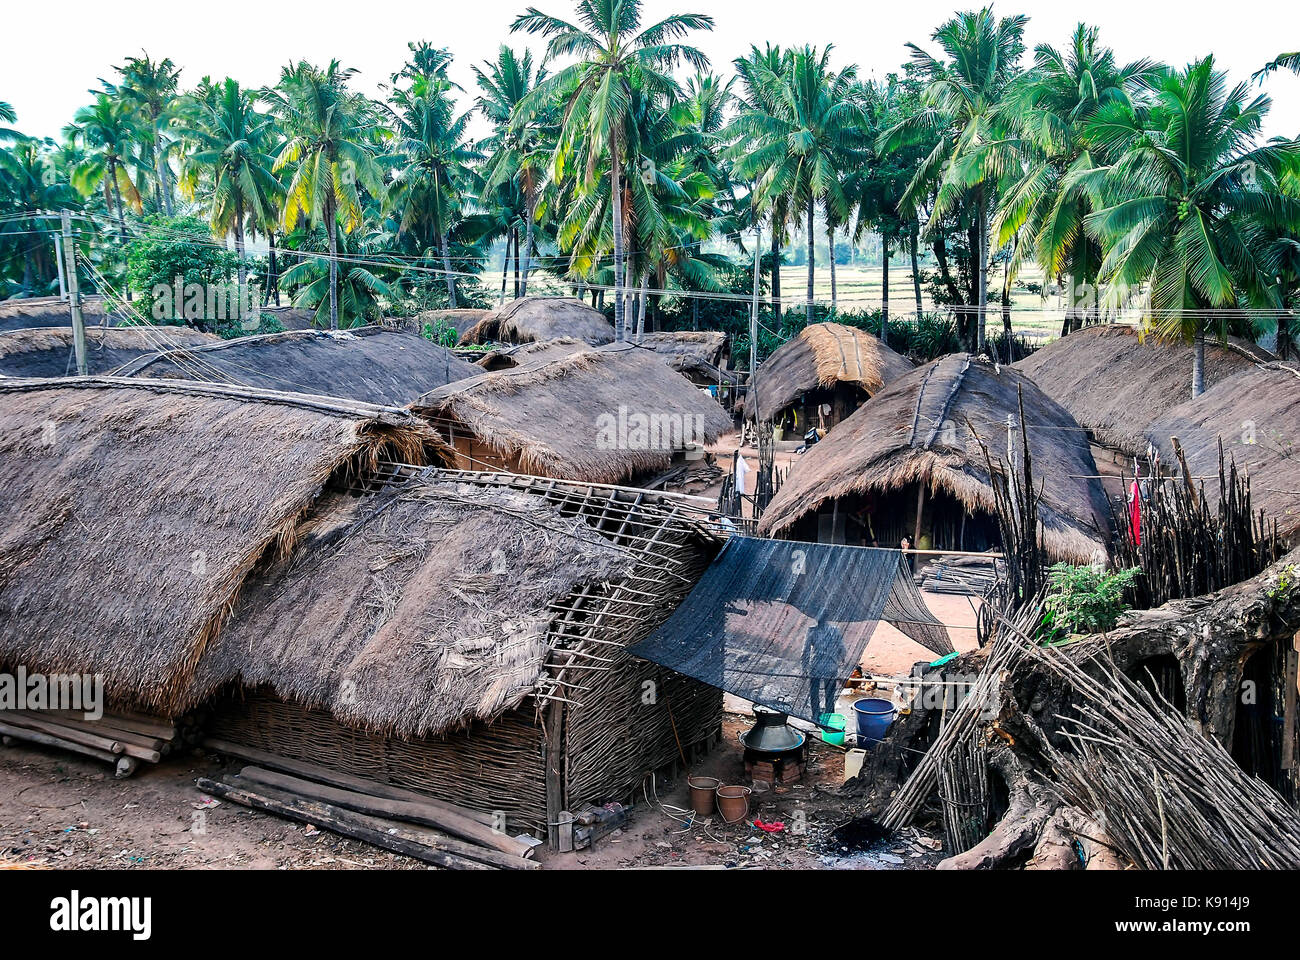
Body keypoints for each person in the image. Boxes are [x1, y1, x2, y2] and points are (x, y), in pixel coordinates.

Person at [803, 617, 846, 724]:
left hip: (816, 666)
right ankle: (829, 718)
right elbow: (842, 648)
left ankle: (816, 717)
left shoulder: (812, 631)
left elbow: (806, 651)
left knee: (814, 693)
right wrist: (840, 660)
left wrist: (804, 667)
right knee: (830, 695)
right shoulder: (834, 631)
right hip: (831, 667)